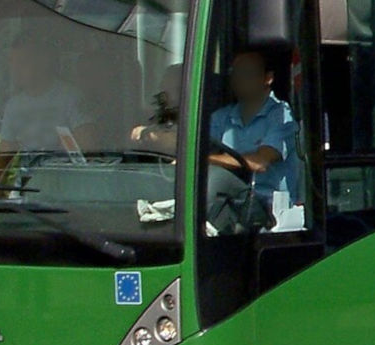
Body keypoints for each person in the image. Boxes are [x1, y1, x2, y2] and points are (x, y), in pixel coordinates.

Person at [0, 34, 97, 198]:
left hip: (65, 187)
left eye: (22, 62)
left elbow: (88, 146)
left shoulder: (70, 97)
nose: (15, 70)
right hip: (27, 187)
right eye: (12, 63)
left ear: (43, 62)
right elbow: (6, 148)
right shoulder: (13, 105)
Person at [207, 49, 302, 228]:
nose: (239, 79)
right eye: (235, 73)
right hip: (230, 207)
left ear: (268, 78)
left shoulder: (282, 116)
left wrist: (203, 160)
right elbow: (195, 144)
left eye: (247, 73)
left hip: (271, 217)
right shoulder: (222, 117)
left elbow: (259, 162)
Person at [129, 62, 185, 155]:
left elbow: (179, 141)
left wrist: (146, 133)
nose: (164, 92)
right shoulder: (158, 113)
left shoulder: (201, 117)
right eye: (164, 86)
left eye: (172, 87)